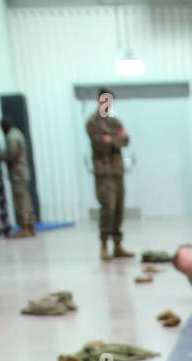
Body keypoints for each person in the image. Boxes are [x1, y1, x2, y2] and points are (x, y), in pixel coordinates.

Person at [86, 90, 132, 261]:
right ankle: (104, 244)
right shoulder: (92, 122)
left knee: (119, 209)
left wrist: (110, 138)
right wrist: (115, 139)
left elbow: (125, 140)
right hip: (104, 173)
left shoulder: (115, 122)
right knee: (108, 209)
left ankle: (118, 245)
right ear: (99, 100)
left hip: (118, 171)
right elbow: (100, 145)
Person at [0, 117, 35, 237]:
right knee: (26, 199)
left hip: (17, 173)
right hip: (23, 172)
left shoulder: (11, 137)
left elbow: (11, 154)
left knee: (20, 201)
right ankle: (30, 227)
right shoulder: (18, 133)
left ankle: (24, 228)